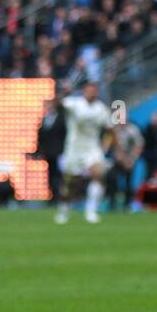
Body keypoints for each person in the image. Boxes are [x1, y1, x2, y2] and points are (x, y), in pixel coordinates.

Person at [55, 80, 113, 224]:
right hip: (74, 148)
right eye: (89, 89)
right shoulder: (74, 104)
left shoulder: (101, 109)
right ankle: (64, 209)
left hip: (91, 148)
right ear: (83, 91)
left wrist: (106, 146)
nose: (92, 92)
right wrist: (62, 93)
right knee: (71, 183)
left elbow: (110, 130)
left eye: (94, 90)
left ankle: (91, 211)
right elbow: (57, 105)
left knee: (98, 173)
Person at [106, 117, 143, 211]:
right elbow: (115, 147)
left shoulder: (133, 130)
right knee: (112, 177)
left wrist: (131, 160)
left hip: (130, 160)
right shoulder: (115, 130)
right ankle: (112, 202)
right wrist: (123, 160)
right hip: (119, 160)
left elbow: (138, 145)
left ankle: (128, 204)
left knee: (129, 182)